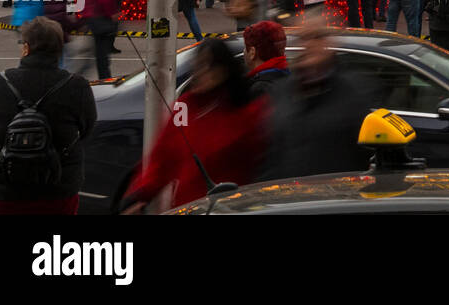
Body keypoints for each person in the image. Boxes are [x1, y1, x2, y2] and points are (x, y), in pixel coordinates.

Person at [122, 38, 268, 212]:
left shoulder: (247, 111)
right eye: (198, 65)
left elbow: (260, 167)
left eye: (208, 66)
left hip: (230, 208)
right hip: (187, 208)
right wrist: (139, 196)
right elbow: (162, 158)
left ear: (224, 70)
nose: (200, 72)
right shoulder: (185, 106)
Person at [0, 18, 96, 214]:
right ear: (59, 49)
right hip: (58, 189)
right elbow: (86, 129)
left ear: (26, 48)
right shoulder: (76, 85)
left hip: (7, 190)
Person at [262, 26, 372, 179]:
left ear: (329, 43)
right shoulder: (283, 90)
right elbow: (272, 153)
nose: (310, 44)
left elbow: (366, 154)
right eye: (304, 38)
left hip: (333, 195)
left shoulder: (354, 90)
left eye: (317, 37)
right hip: (289, 196)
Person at [244, 20, 290, 99]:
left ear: (252, 52)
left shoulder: (259, 89)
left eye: (245, 47)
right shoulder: (290, 77)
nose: (244, 51)